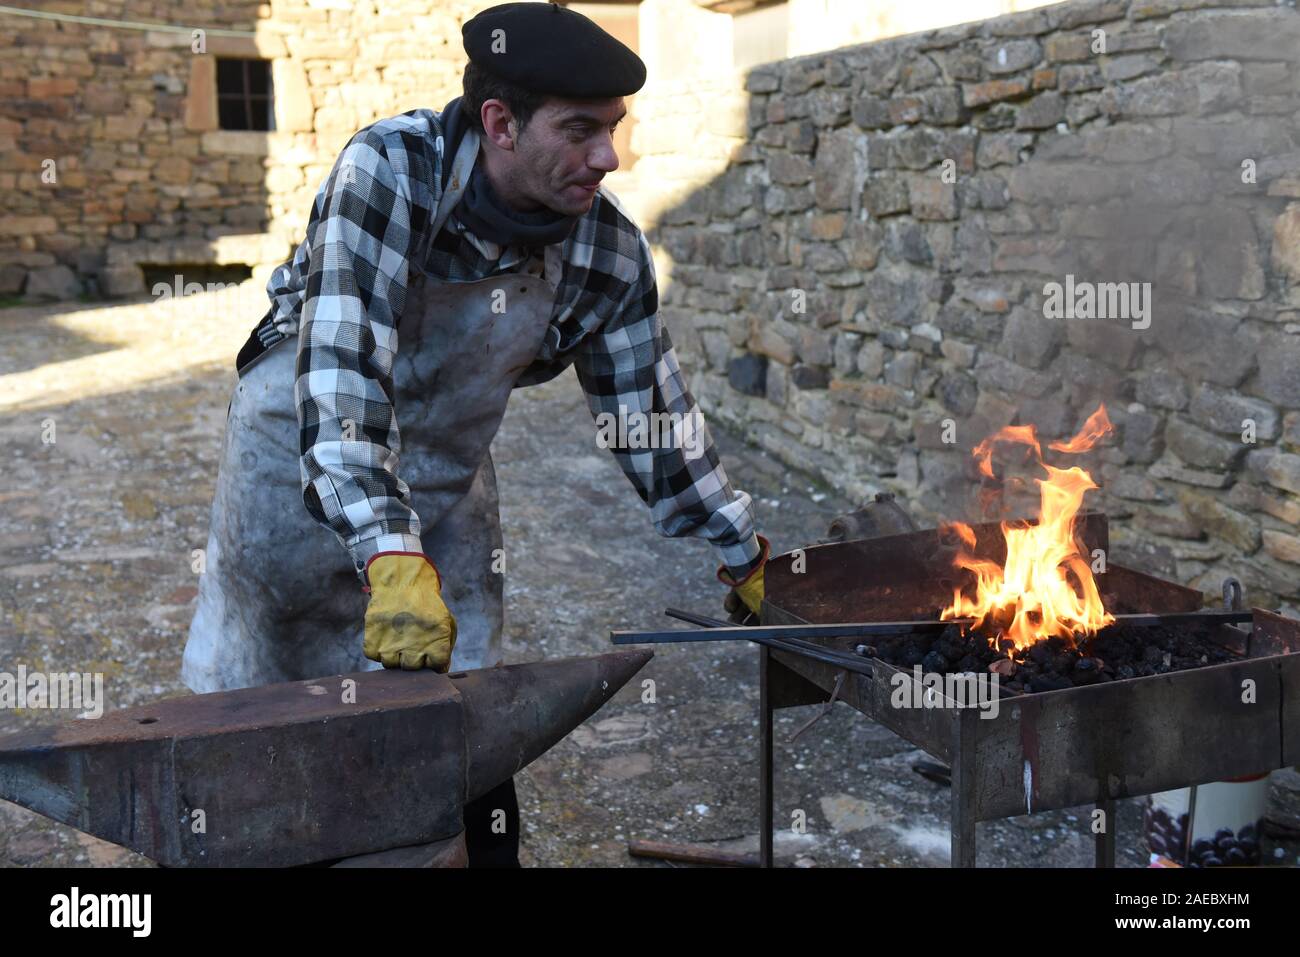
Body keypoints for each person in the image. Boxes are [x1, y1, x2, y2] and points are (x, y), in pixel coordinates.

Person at [182, 1, 770, 867]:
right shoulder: (388, 173)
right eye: (579, 130)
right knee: (265, 732)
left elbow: (652, 415)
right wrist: (388, 550)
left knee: (461, 733)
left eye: (613, 129)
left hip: (447, 491)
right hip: (300, 476)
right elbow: (343, 373)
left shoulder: (606, 251)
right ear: (499, 122)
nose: (608, 157)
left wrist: (741, 545)